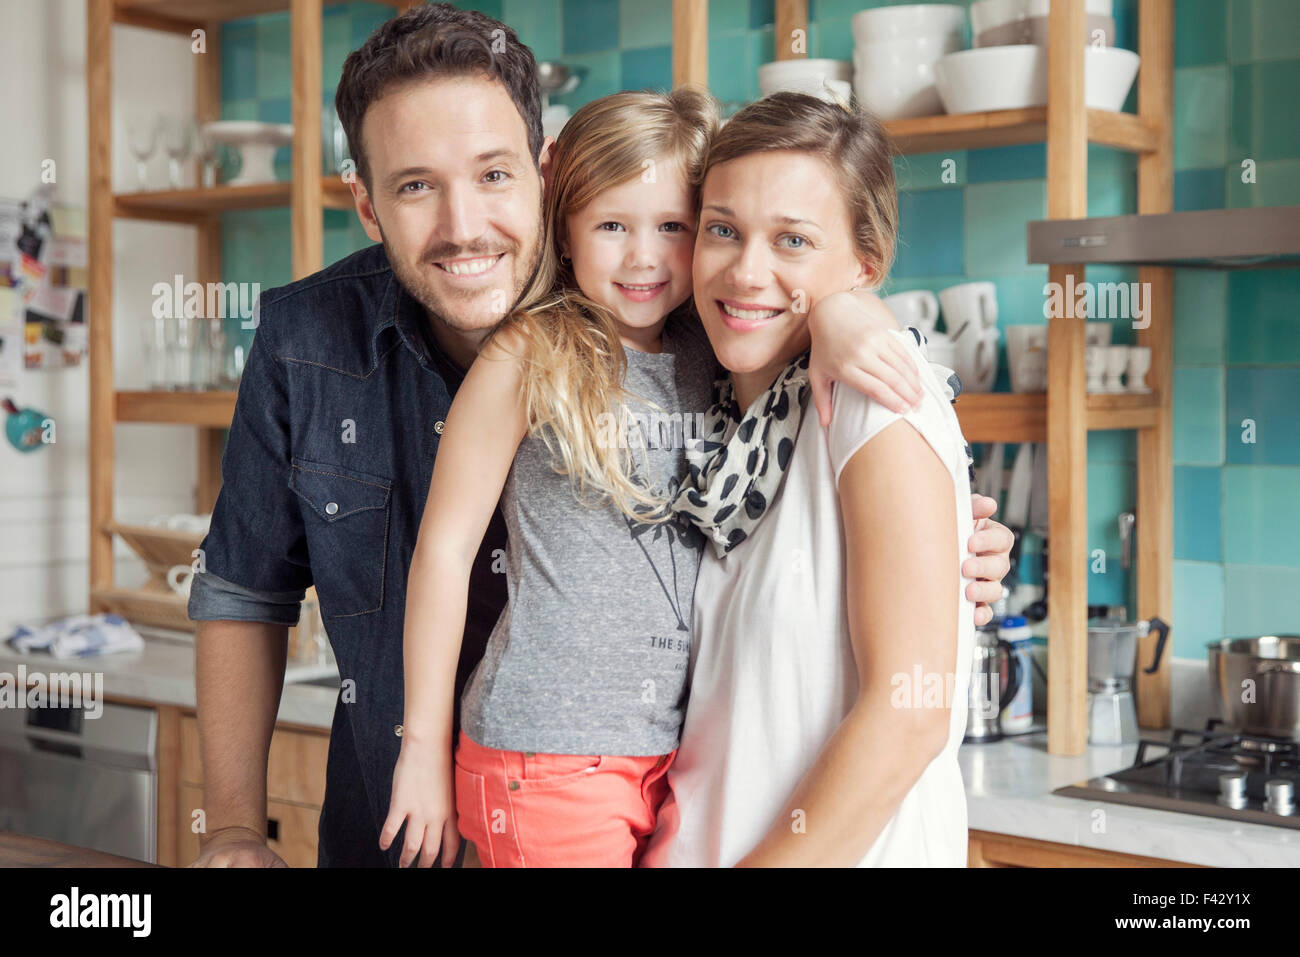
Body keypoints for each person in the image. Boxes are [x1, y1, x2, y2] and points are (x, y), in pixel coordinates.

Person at [186, 4, 1013, 868]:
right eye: (415, 185)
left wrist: (856, 330)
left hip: (654, 790)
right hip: (414, 823)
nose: (464, 224)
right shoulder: (309, 339)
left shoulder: (702, 332)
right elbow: (244, 589)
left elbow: (792, 276)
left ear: (544, 173)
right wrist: (238, 826)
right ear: (365, 201)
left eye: (494, 174)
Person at [643, 93, 980, 867]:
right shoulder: (726, 430)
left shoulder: (876, 396)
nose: (746, 270)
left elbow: (910, 712)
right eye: (723, 230)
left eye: (792, 239)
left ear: (865, 266)